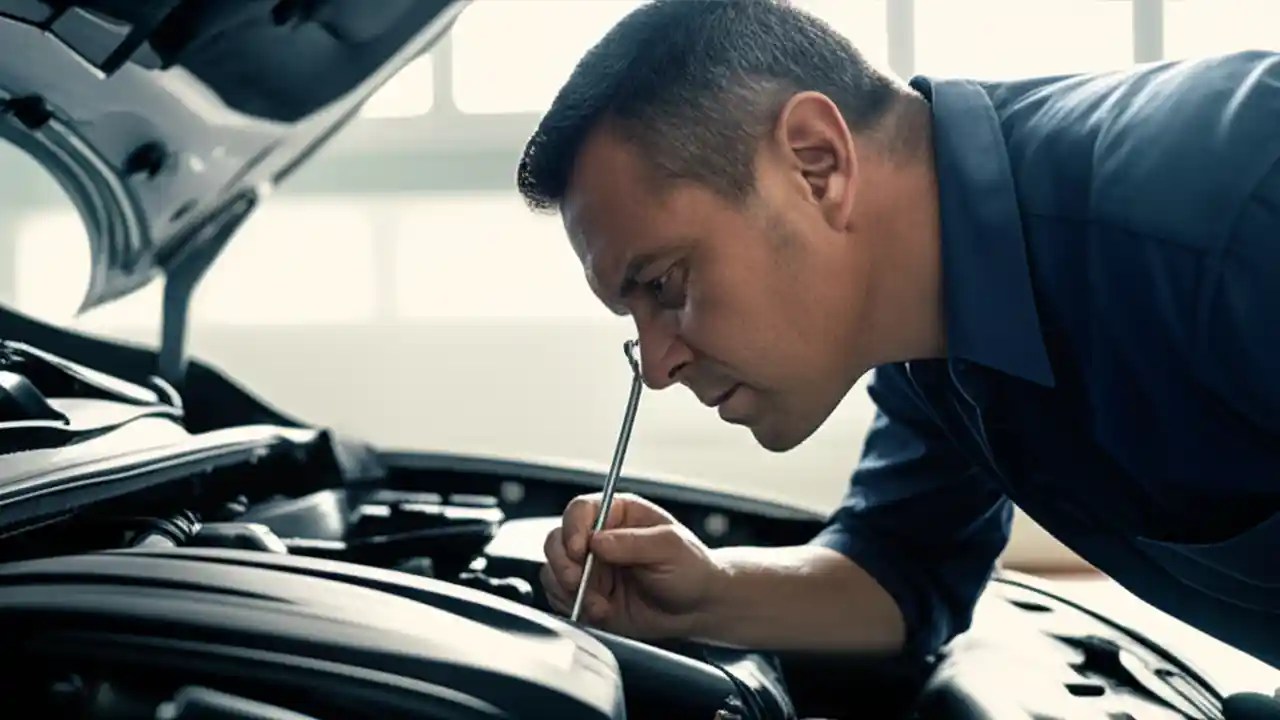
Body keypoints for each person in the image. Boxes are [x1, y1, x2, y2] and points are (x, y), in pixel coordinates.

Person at [515, 0, 1280, 668]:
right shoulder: (927, 337)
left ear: (816, 165)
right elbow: (901, 571)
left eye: (664, 284)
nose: (655, 368)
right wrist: (707, 595)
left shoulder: (1230, 213)